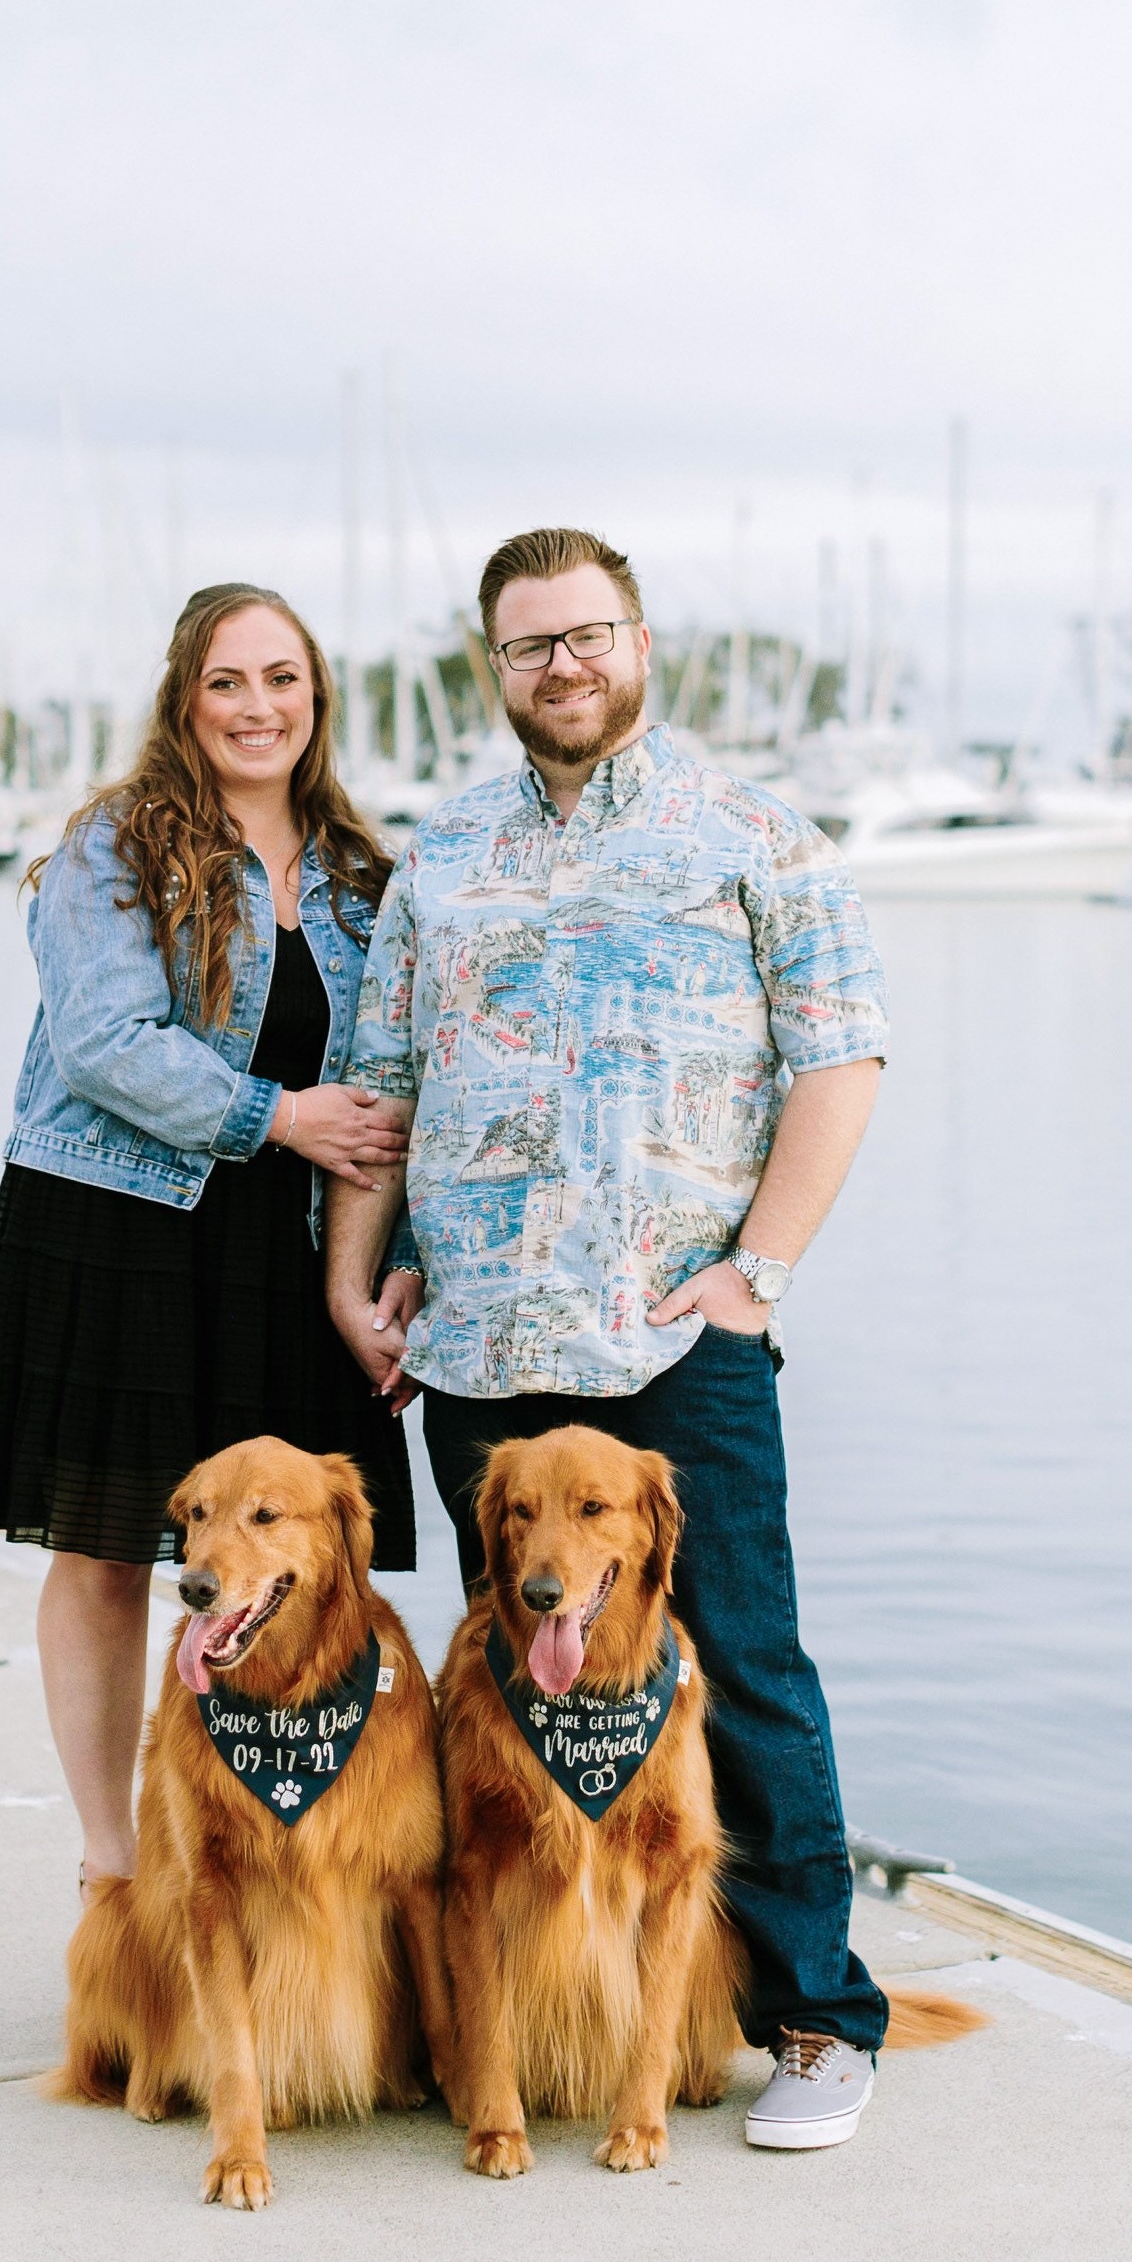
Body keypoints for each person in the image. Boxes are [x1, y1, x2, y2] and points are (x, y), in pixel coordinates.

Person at [326, 524, 892, 2152]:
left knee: (749, 1663)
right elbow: (388, 1096)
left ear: (639, 640)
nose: (560, 666)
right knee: (521, 1689)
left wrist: (758, 1273)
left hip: (674, 1341)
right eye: (528, 646)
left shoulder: (757, 836)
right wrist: (355, 1288)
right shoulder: (441, 861)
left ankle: (812, 2022)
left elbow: (839, 1061)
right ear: (491, 667)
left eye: (586, 636)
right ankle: (550, 2013)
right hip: (485, 1358)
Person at [0, 582, 420, 1891]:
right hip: (118, 1242)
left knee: (285, 1570)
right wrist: (278, 1115)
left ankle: (269, 1866)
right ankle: (118, 1866)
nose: (257, 707)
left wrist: (385, 1271)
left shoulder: (362, 880)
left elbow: (389, 1093)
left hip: (283, 1258)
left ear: (317, 698)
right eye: (228, 681)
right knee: (107, 1561)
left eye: (282, 679)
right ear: (183, 699)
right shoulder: (114, 848)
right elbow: (105, 1046)